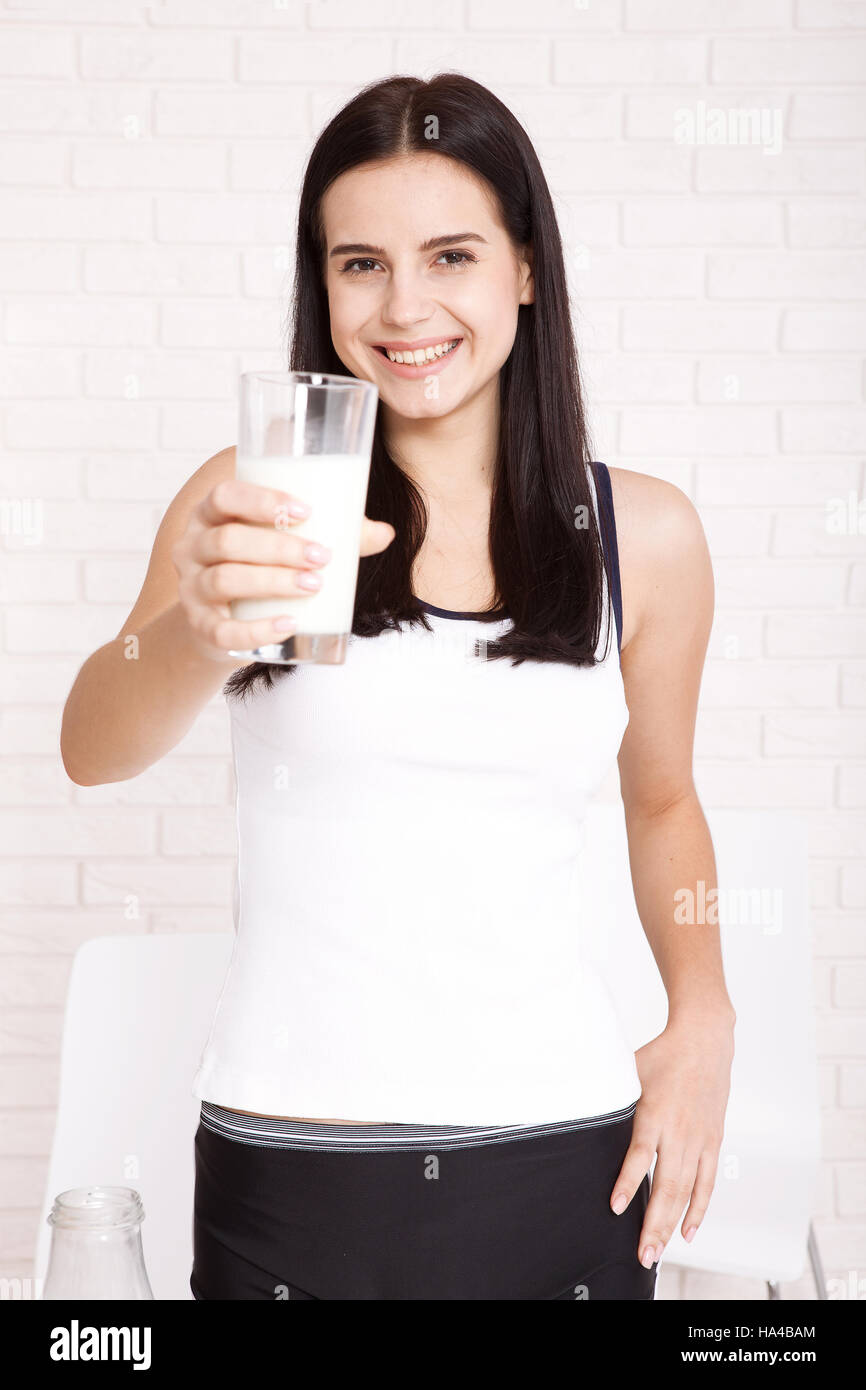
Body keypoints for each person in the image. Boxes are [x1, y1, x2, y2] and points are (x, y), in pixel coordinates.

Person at [61, 72, 735, 1301]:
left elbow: (663, 803)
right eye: (359, 262)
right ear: (320, 285)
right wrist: (199, 632)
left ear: (524, 271)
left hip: (568, 1163)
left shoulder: (643, 534)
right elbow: (92, 741)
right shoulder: (254, 494)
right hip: (289, 1169)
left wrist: (704, 1016)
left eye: (450, 256)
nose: (403, 304)